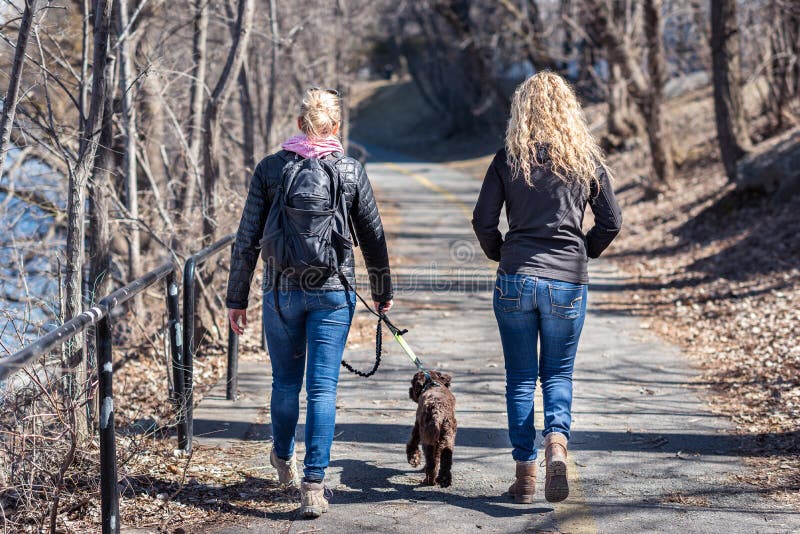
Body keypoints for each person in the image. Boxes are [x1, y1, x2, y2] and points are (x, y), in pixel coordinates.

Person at [225, 88, 393, 518]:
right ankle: (314, 485)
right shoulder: (350, 170)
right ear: (336, 127)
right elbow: (372, 235)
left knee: (285, 384)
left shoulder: (270, 169)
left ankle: (283, 458)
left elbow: (246, 239)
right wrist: (381, 290)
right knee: (323, 389)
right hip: (333, 293)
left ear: (299, 124)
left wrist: (236, 297)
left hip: (281, 291)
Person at [472, 72, 622, 504]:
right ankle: (557, 443)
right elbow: (611, 222)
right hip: (568, 281)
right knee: (557, 373)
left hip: (517, 276)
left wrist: (502, 254)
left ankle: (524, 478)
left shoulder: (508, 158)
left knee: (520, 380)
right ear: (569, 110)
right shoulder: (584, 160)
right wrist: (583, 251)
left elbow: (483, 221)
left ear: (522, 110)